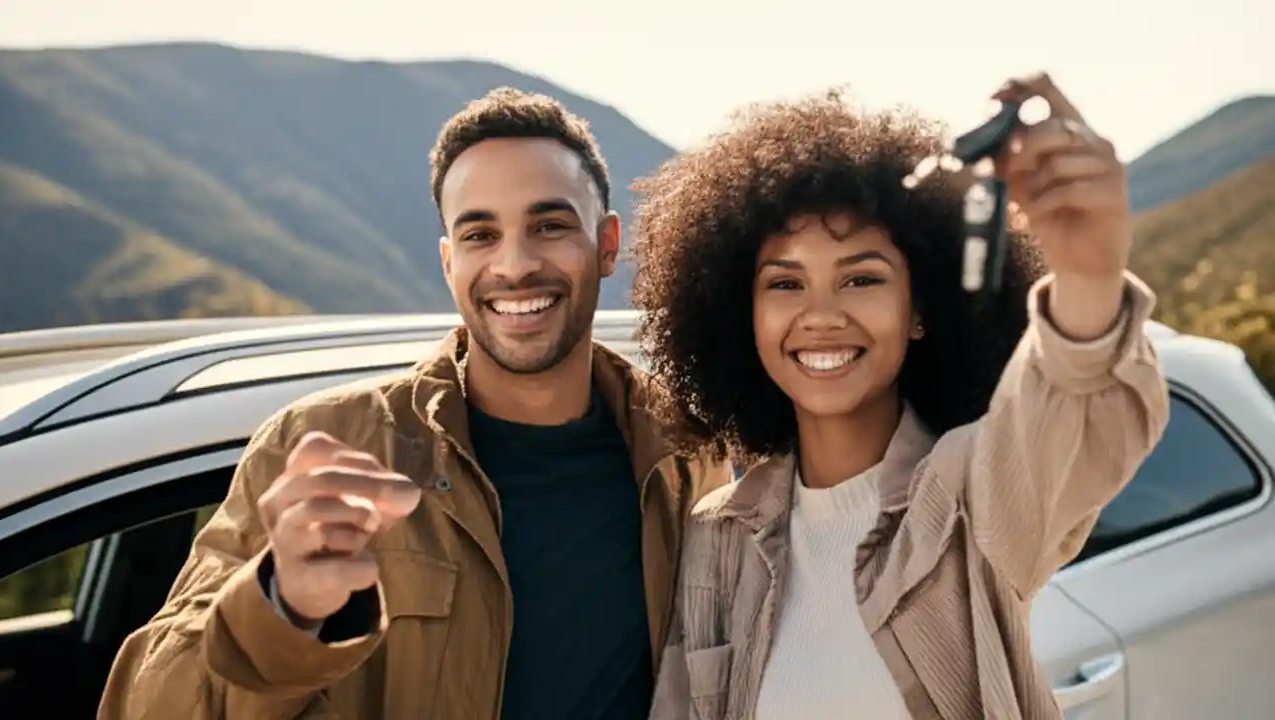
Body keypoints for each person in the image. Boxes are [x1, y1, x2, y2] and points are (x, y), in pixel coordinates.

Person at [98, 87, 730, 720]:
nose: (515, 265)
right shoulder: (323, 444)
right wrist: (282, 608)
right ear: (449, 262)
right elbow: (147, 708)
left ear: (607, 244)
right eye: (480, 234)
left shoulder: (688, 451)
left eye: (550, 226)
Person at [630, 74, 1170, 719]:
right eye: (785, 284)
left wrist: (1088, 277)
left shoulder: (970, 493)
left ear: (919, 309)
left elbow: (1075, 401)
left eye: (861, 279)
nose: (821, 316)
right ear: (742, 315)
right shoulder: (717, 536)